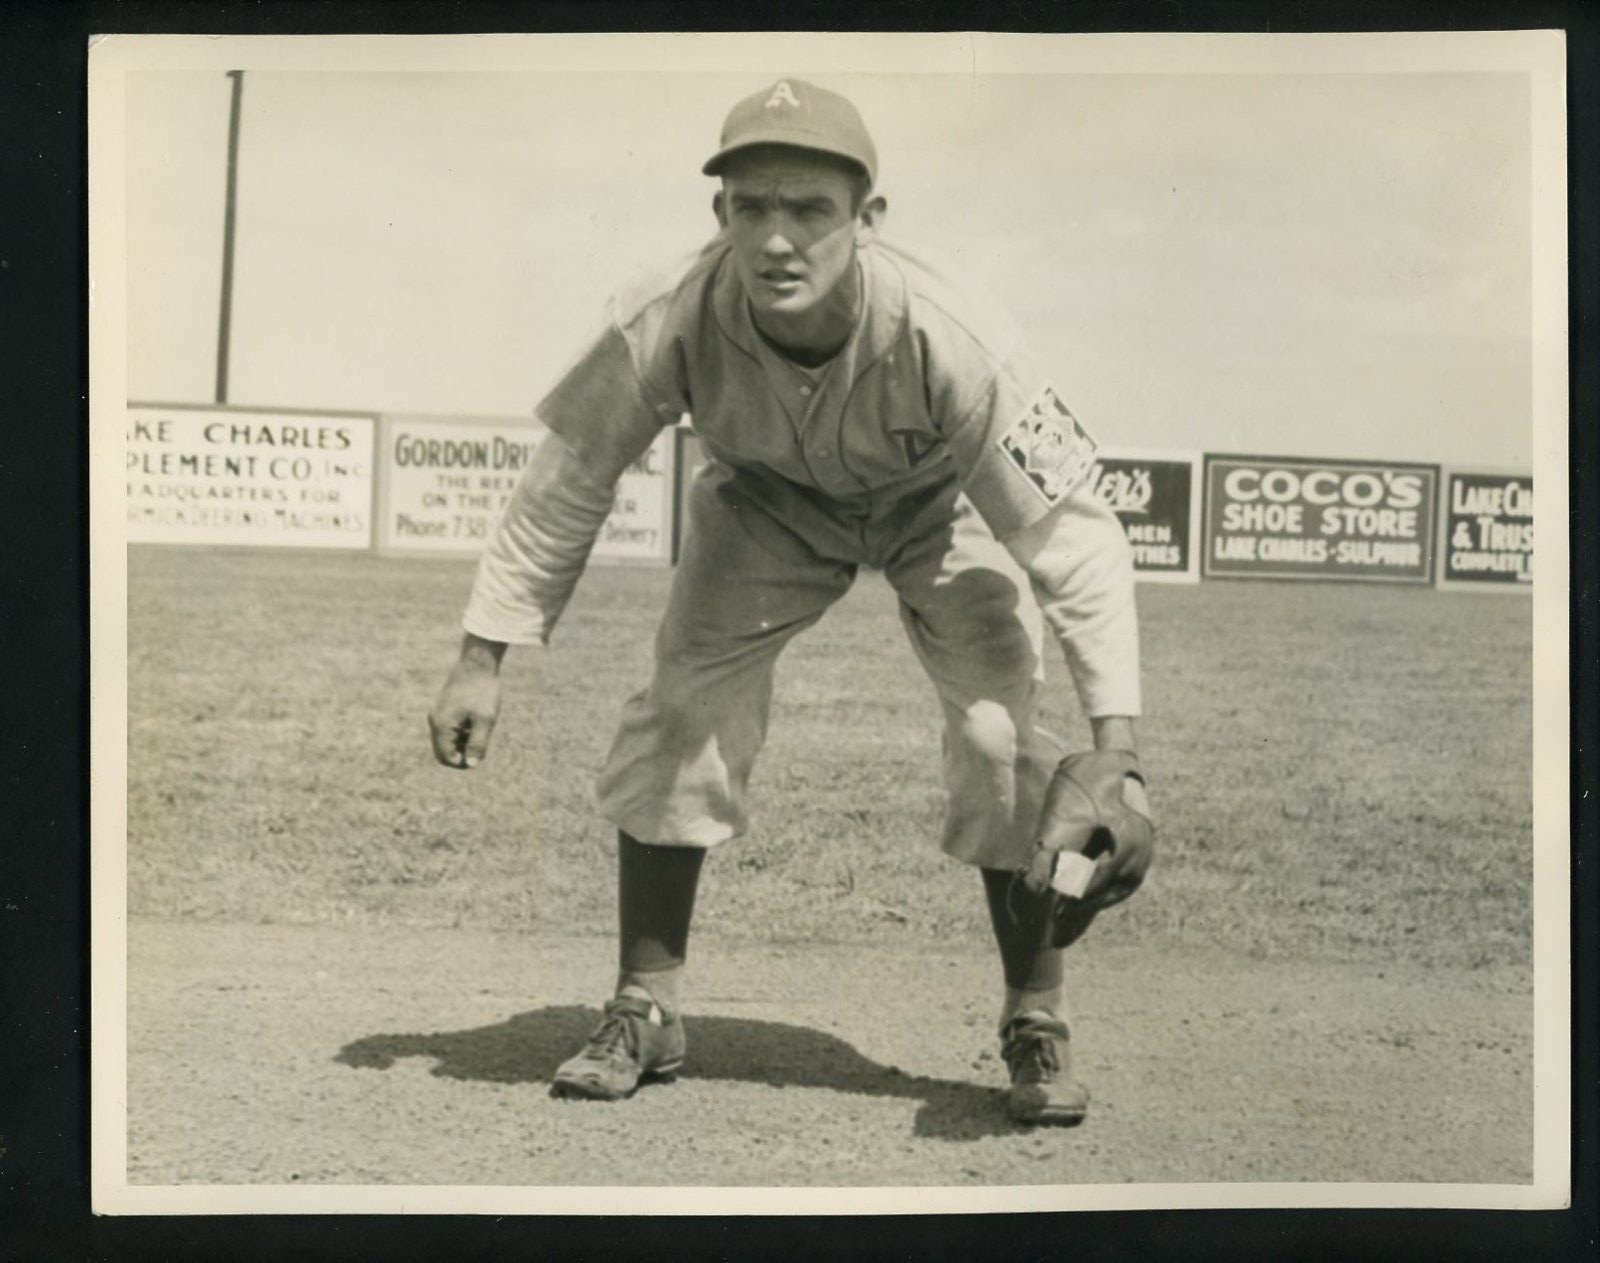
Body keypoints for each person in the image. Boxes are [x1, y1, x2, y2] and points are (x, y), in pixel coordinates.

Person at [428, 78, 1152, 1126]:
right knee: (684, 708)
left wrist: (1117, 746)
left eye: (809, 209)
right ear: (718, 216)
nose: (777, 238)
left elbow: (1070, 533)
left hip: (934, 507)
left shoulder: (956, 333)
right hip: (766, 506)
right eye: (750, 206)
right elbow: (569, 478)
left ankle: (1034, 1019)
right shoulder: (667, 312)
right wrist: (482, 654)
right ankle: (646, 1005)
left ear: (868, 221)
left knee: (1003, 738)